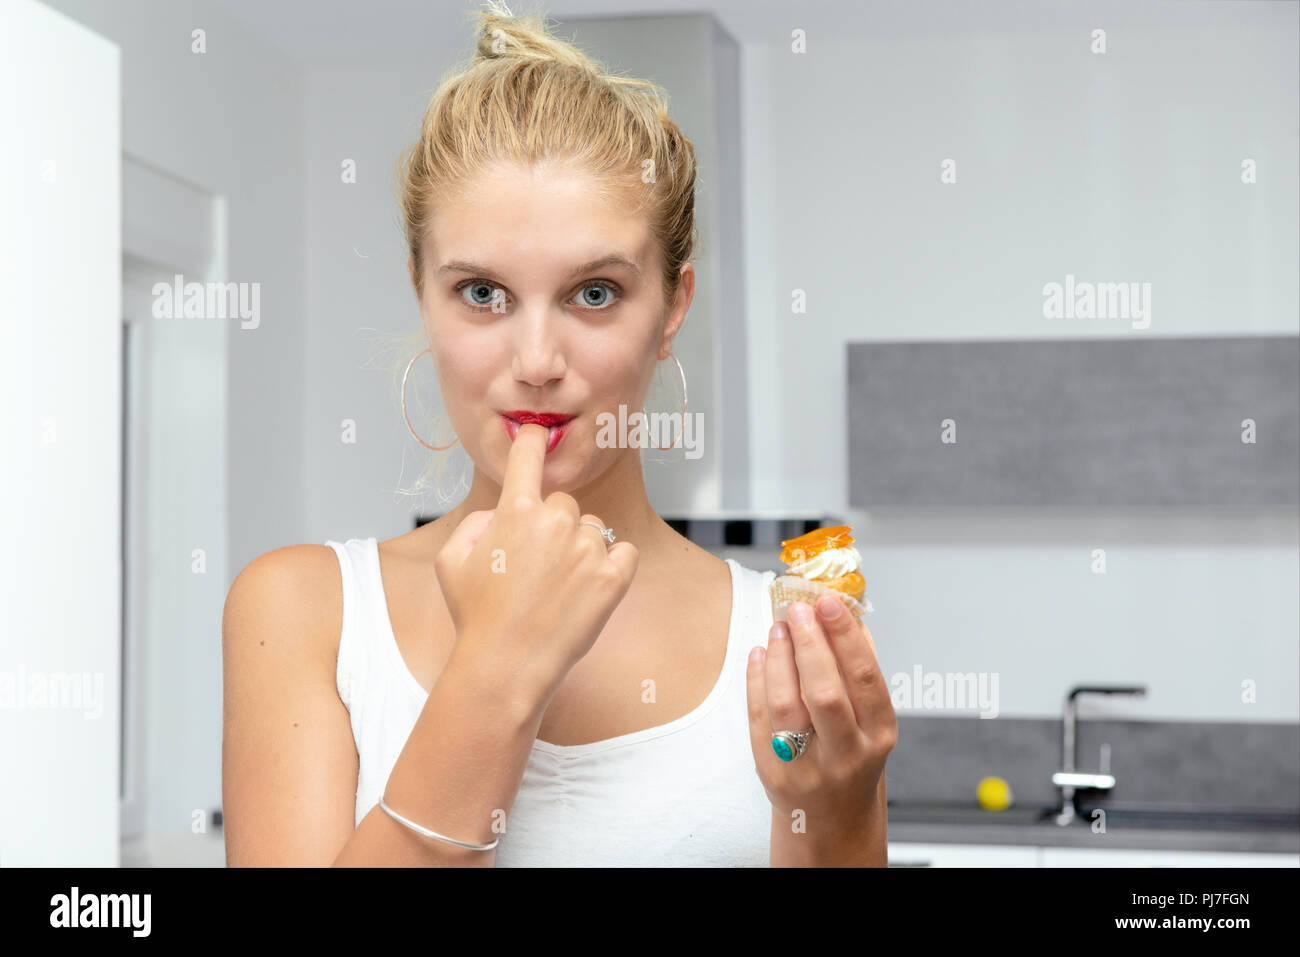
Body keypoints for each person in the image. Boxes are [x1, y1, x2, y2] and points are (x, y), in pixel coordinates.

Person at [220, 0, 894, 867]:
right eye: (482, 293)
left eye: (596, 292)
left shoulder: (788, 639)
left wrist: (833, 817)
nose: (537, 360)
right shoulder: (303, 608)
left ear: (672, 308)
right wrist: (498, 667)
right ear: (422, 291)